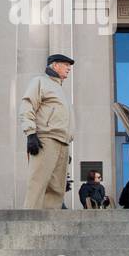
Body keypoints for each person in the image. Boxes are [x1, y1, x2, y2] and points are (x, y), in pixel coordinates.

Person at [20, 54, 75, 210]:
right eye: (66, 64)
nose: (69, 68)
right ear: (55, 65)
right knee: (37, 183)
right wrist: (30, 133)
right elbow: (27, 106)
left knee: (57, 188)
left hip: (62, 142)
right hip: (46, 139)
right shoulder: (40, 82)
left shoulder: (60, 89)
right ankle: (29, 223)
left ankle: (50, 225)